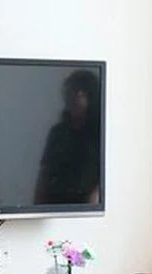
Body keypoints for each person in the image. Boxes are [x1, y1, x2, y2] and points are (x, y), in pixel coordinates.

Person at [34, 69, 102, 205]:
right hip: (53, 207)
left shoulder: (100, 134)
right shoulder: (58, 133)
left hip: (86, 209)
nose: (74, 99)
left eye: (80, 93)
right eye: (70, 95)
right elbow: (44, 175)